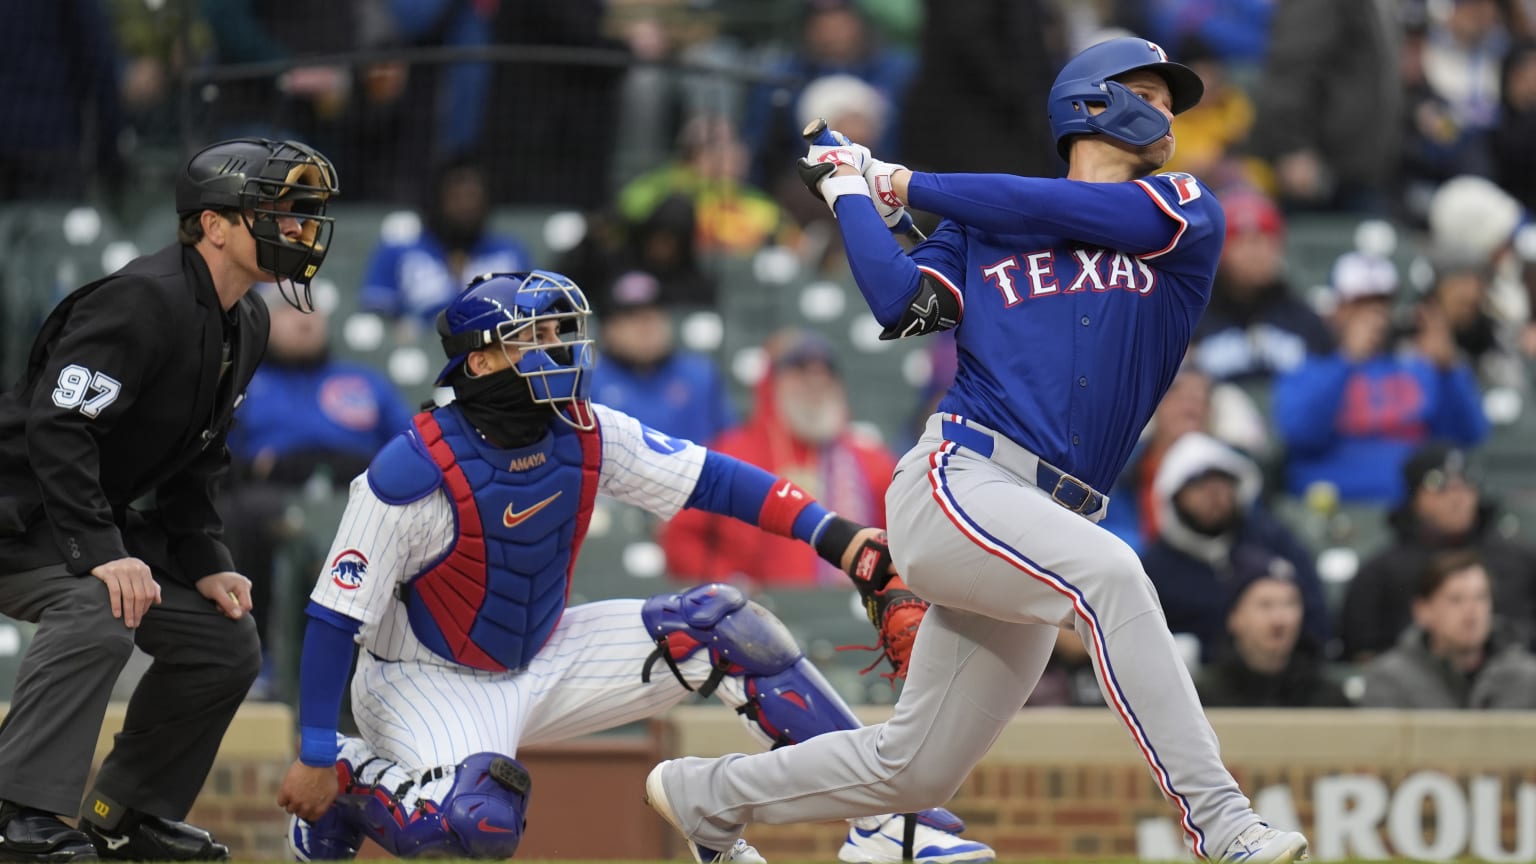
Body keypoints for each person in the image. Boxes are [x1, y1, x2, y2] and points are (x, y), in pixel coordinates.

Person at [646, 37, 1310, 864]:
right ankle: (1222, 823)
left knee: (913, 772)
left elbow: (1069, 212)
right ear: (1092, 102)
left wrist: (900, 182)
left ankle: (708, 796)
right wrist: (851, 189)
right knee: (1108, 573)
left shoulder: (1183, 208)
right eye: (1151, 90)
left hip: (1048, 517)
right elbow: (901, 305)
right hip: (962, 476)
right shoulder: (980, 231)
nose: (1169, 109)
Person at [274, 271, 993, 864]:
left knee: (727, 626)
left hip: (543, 649)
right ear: (484, 360)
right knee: (474, 826)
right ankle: (349, 781)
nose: (561, 349)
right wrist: (312, 748)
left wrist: (838, 537)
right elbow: (334, 616)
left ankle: (887, 822)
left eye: (561, 332)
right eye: (537, 337)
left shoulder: (586, 429)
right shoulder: (410, 471)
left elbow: (714, 480)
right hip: (427, 676)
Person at [0, 138, 337, 861]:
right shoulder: (139, 300)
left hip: (74, 516)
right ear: (215, 225)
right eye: (279, 212)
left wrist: (205, 557)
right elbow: (57, 429)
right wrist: (99, 554)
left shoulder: (248, 320)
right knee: (99, 605)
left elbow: (199, 460)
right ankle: (18, 815)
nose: (301, 230)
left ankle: (125, 813)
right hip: (16, 512)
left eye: (305, 216)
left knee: (224, 638)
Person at [661, 330, 897, 588]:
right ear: (772, 383)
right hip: (752, 616)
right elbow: (682, 538)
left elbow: (900, 546)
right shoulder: (731, 452)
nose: (816, 382)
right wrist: (730, 584)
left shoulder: (872, 461)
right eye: (800, 370)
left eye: (827, 372)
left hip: (850, 617)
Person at [1274, 251, 1489, 504]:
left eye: (1382, 302)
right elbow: (1302, 435)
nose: (1374, 313)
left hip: (1411, 506)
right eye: (1361, 302)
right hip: (1331, 499)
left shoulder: (1419, 367)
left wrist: (1449, 370)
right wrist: (1346, 361)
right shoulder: (1307, 366)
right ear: (1336, 309)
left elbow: (1466, 438)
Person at [1139, 433, 1328, 664]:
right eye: (1200, 486)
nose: (1215, 496)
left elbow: (1316, 616)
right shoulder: (1154, 567)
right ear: (1175, 497)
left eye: (1223, 484)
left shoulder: (1272, 541)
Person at [1339, 442, 1536, 661]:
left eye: (1466, 483)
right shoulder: (1380, 572)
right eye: (1440, 486)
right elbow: (1362, 652)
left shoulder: (1520, 558)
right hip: (1410, 688)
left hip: (1515, 684)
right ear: (1415, 498)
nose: (1457, 496)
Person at [359, 158, 531, 332]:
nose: (466, 206)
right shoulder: (400, 250)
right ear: (438, 200)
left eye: (473, 196)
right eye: (456, 198)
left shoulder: (509, 252)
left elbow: (533, 313)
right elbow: (376, 319)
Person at [1360, 550, 1536, 709]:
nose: (1472, 611)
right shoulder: (1390, 681)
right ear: (1423, 610)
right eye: (1456, 599)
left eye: (1481, 597)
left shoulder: (1528, 679)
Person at [587, 270, 736, 445]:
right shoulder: (587, 383)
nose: (646, 328)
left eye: (653, 315)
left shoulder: (700, 376)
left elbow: (731, 443)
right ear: (608, 329)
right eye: (632, 319)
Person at [1194, 556, 1350, 709]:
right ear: (1234, 617)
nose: (1279, 619)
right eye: (1266, 605)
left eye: (1290, 604)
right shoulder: (1202, 698)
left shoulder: (1329, 699)